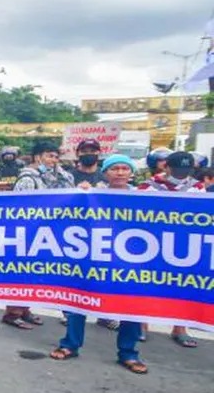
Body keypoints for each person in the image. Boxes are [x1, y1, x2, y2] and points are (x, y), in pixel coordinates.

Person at [51, 154, 147, 374]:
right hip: (93, 258)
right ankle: (70, 344)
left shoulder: (144, 196)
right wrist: (79, 194)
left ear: (131, 172)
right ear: (105, 172)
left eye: (125, 168)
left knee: (131, 306)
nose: (120, 172)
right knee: (79, 300)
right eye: (115, 168)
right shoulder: (91, 194)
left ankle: (128, 353)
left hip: (129, 261)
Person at [4, 141, 74, 329]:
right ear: (38, 157)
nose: (54, 160)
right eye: (50, 156)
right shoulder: (28, 179)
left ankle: (24, 309)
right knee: (22, 274)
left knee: (33, 274)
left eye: (56, 157)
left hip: (46, 232)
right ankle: (13, 313)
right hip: (29, 233)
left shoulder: (53, 177)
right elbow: (20, 208)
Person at [138, 150, 202, 348]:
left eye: (186, 170)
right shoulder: (149, 187)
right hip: (153, 242)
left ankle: (180, 328)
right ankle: (142, 324)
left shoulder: (197, 188)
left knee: (183, 285)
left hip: (184, 243)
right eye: (177, 170)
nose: (181, 174)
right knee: (146, 283)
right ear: (166, 167)